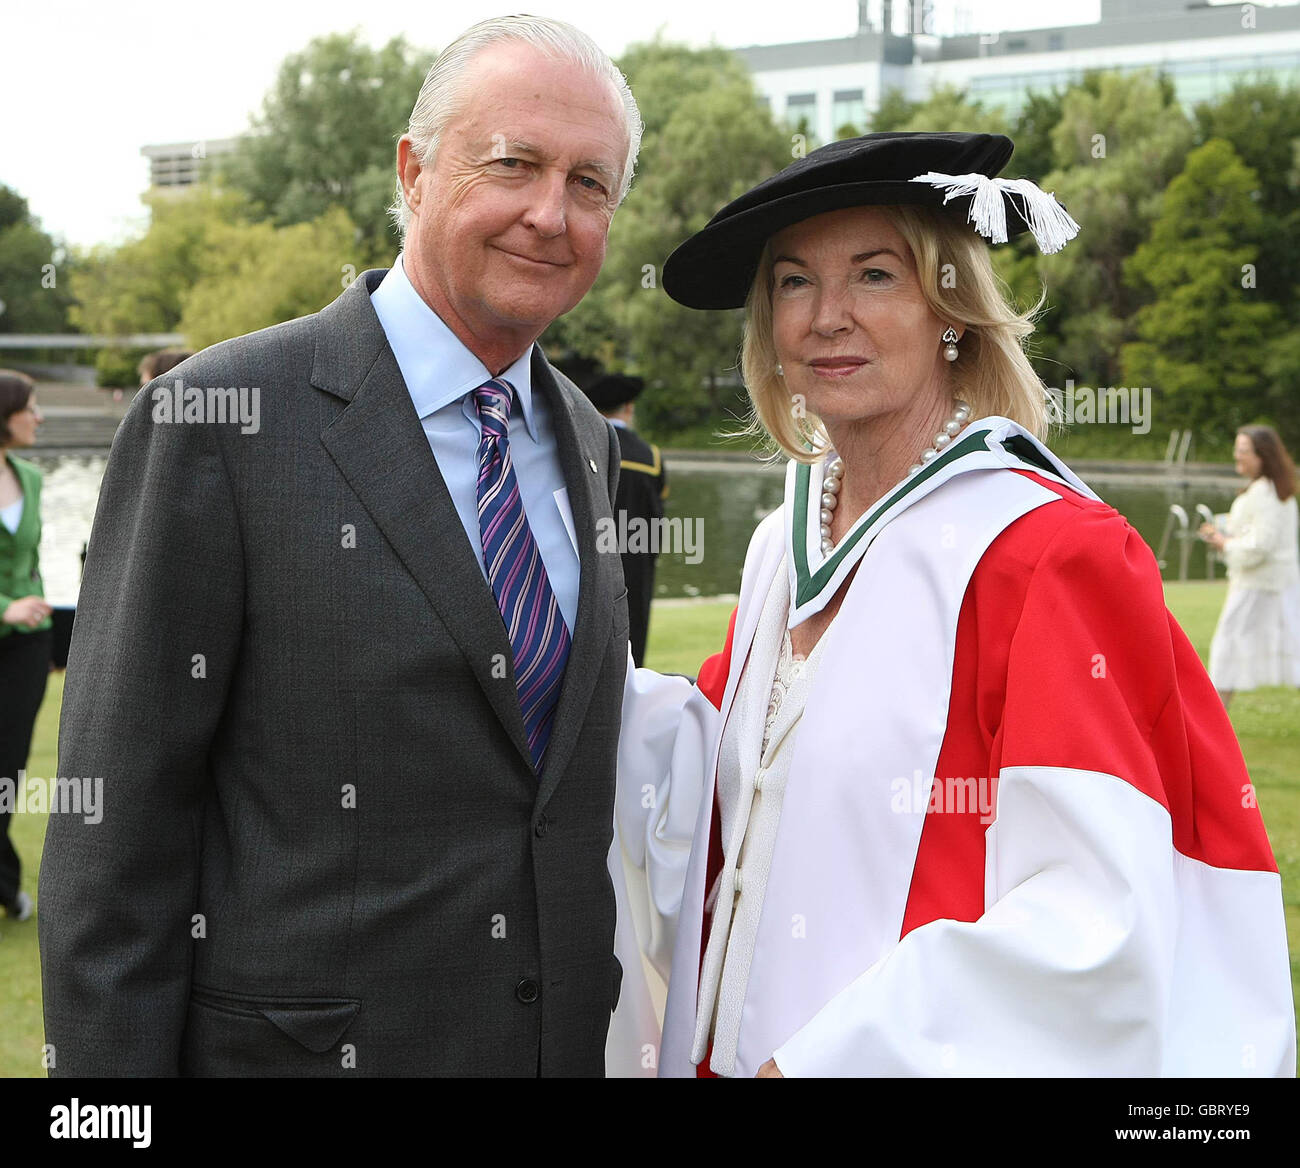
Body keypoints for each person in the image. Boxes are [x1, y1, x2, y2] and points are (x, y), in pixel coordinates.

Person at [615, 132, 1296, 1077]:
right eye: (794, 282)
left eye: (876, 275)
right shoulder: (786, 545)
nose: (827, 317)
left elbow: (1095, 921)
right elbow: (727, 789)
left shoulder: (1047, 554)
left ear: (953, 311)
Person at [40, 15, 641, 1076]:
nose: (550, 214)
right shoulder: (219, 422)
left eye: (590, 183)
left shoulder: (587, 441)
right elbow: (113, 845)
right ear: (414, 172)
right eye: (512, 164)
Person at [0, 371, 52, 928]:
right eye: (30, 408)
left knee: (8, 766)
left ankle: (7, 884)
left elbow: (30, 557)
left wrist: (30, 600)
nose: (38, 417)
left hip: (27, 651)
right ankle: (8, 884)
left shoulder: (32, 478)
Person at [1201, 425, 1300, 705]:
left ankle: (1215, 723)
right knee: (1286, 650)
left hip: (1259, 586)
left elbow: (1261, 545)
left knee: (1226, 650)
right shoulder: (1268, 490)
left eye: (1243, 450)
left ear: (1262, 456)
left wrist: (1224, 543)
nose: (1237, 455)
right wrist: (1221, 532)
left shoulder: (1266, 494)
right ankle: (1217, 719)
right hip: (1272, 584)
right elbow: (1254, 533)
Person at [584, 373, 667, 666]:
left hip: (590, 560)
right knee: (634, 639)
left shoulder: (585, 447)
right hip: (636, 562)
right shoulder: (651, 457)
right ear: (628, 408)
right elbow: (658, 520)